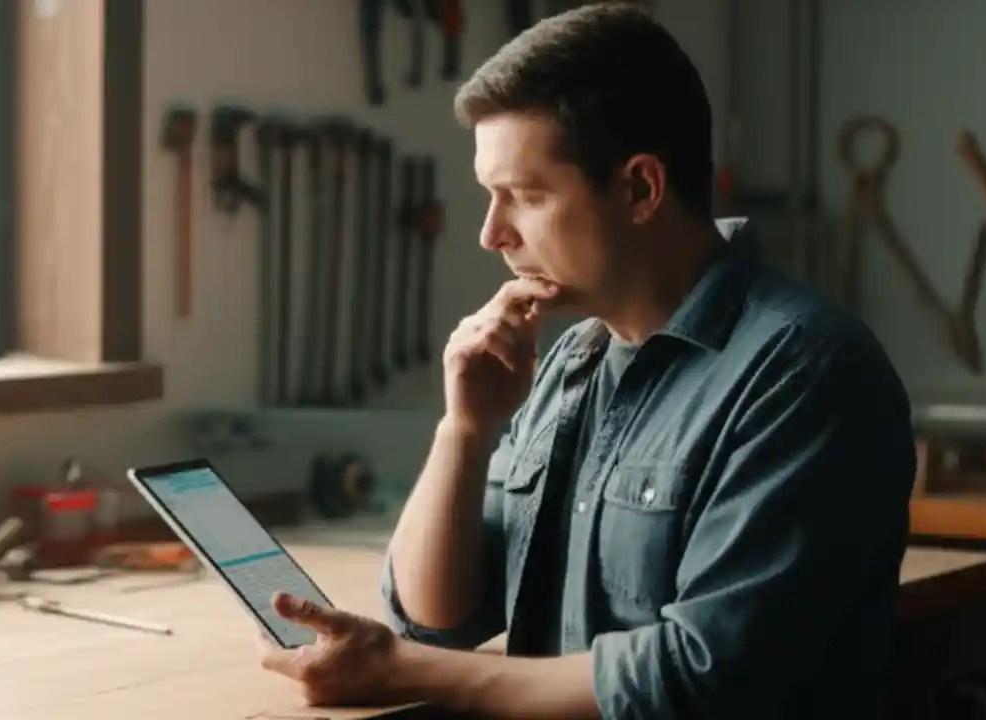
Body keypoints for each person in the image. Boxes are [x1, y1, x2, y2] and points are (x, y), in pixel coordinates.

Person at [257, 3, 915, 717]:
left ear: (639, 189)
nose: (491, 234)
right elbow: (436, 618)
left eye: (526, 196)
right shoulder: (575, 359)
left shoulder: (805, 374)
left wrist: (403, 672)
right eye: (489, 197)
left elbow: (701, 677)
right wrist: (466, 432)